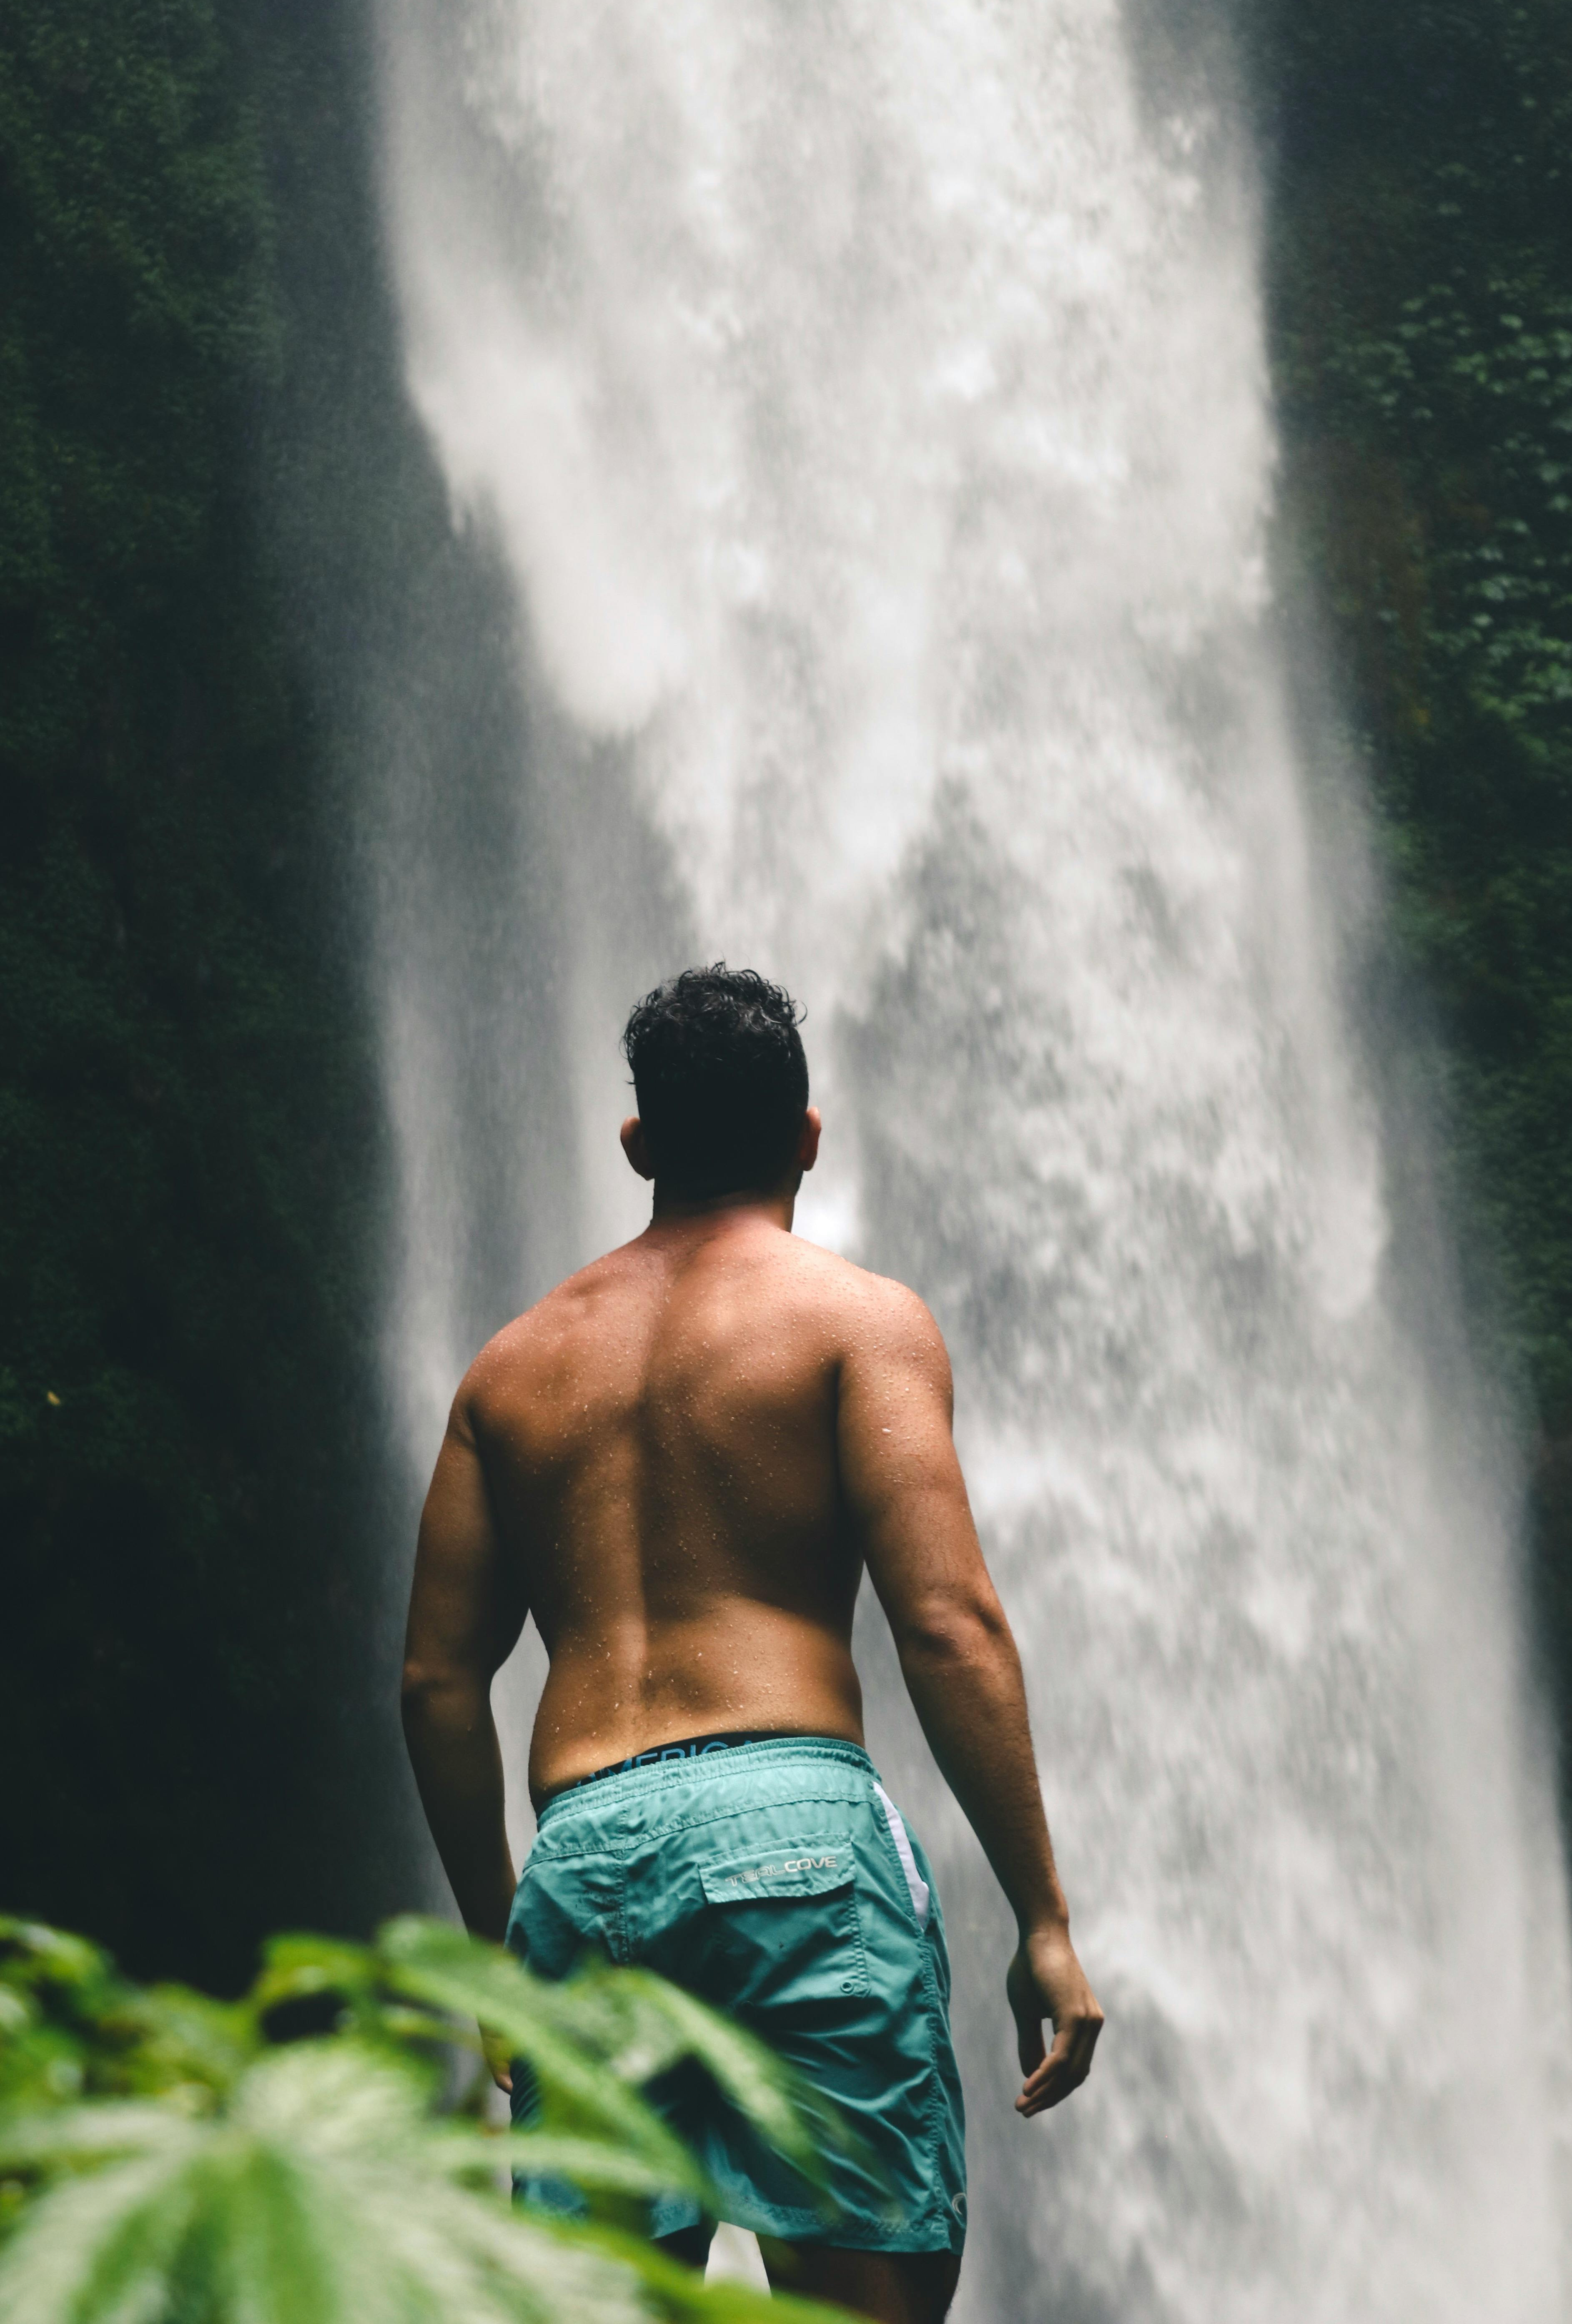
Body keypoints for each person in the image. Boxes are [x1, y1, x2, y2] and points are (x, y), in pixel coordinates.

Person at [401, 964, 1101, 2323]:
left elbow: (437, 1680)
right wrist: (1045, 1919)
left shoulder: (510, 1372)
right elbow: (948, 1625)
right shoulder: (856, 1321)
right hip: (796, 1837)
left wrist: (499, 1958)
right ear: (808, 1135)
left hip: (585, 1856)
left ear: (640, 1147)